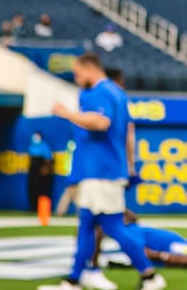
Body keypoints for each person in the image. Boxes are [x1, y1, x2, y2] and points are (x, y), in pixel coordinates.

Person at [52, 52, 165, 290]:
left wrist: (67, 113)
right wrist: (129, 166)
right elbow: (129, 134)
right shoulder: (118, 94)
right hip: (103, 170)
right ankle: (75, 278)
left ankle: (149, 275)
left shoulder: (99, 92)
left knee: (112, 226)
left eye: (78, 73)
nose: (76, 78)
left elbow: (102, 123)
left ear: (90, 68)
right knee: (88, 226)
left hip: (100, 172)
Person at [27, 132, 54, 212]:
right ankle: (33, 207)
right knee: (32, 189)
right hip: (33, 171)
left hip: (41, 172)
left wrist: (46, 168)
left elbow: (49, 159)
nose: (35, 138)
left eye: (37, 136)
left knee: (42, 190)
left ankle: (43, 208)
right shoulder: (31, 146)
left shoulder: (44, 146)